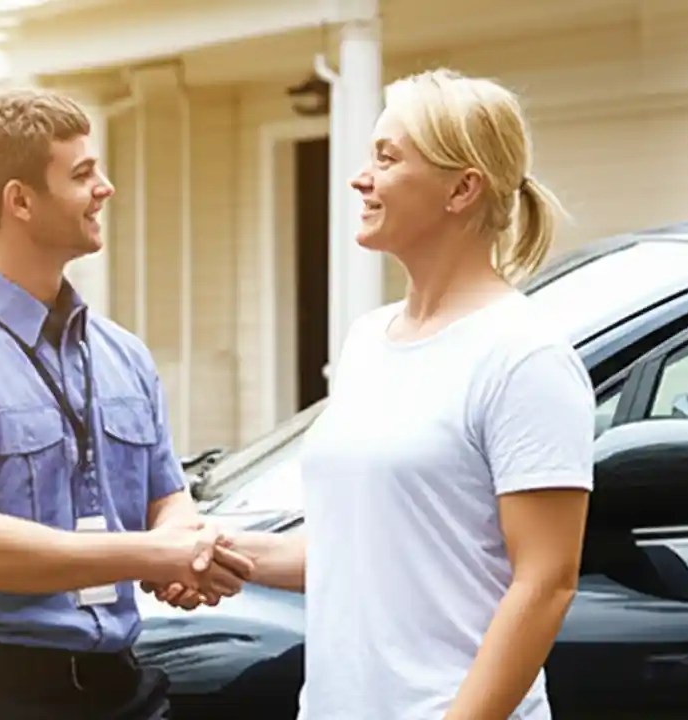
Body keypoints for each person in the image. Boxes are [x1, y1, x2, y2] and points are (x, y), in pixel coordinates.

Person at [157, 68, 595, 719]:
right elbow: (353, 548)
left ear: (462, 188)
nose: (360, 178)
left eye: (387, 159)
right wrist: (202, 550)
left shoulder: (523, 355)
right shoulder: (368, 340)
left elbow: (546, 582)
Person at [0, 88, 254, 720]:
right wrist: (154, 554)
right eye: (82, 173)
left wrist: (184, 546)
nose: (107, 188)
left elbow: (166, 495)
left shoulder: (123, 354)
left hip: (123, 691)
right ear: (19, 200)